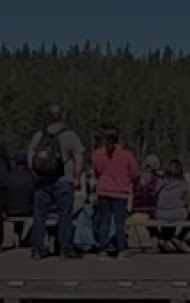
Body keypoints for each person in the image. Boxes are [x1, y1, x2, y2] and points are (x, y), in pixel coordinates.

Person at [28, 104, 86, 260]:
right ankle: (65, 249)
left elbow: (31, 156)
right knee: (65, 215)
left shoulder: (39, 135)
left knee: (39, 216)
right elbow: (79, 157)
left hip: (42, 181)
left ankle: (37, 250)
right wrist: (76, 177)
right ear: (62, 116)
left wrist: (35, 173)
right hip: (63, 180)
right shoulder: (70, 136)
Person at [91, 125, 138, 258]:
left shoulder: (98, 154)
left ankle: (102, 249)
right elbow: (134, 172)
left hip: (104, 190)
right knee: (119, 222)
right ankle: (121, 249)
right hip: (120, 191)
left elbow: (96, 171)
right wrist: (127, 180)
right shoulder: (127, 155)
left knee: (104, 221)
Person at [154, 159, 190, 252]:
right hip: (177, 213)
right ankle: (179, 238)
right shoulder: (183, 183)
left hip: (160, 213)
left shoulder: (161, 182)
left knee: (168, 217)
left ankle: (164, 238)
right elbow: (187, 202)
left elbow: (155, 195)